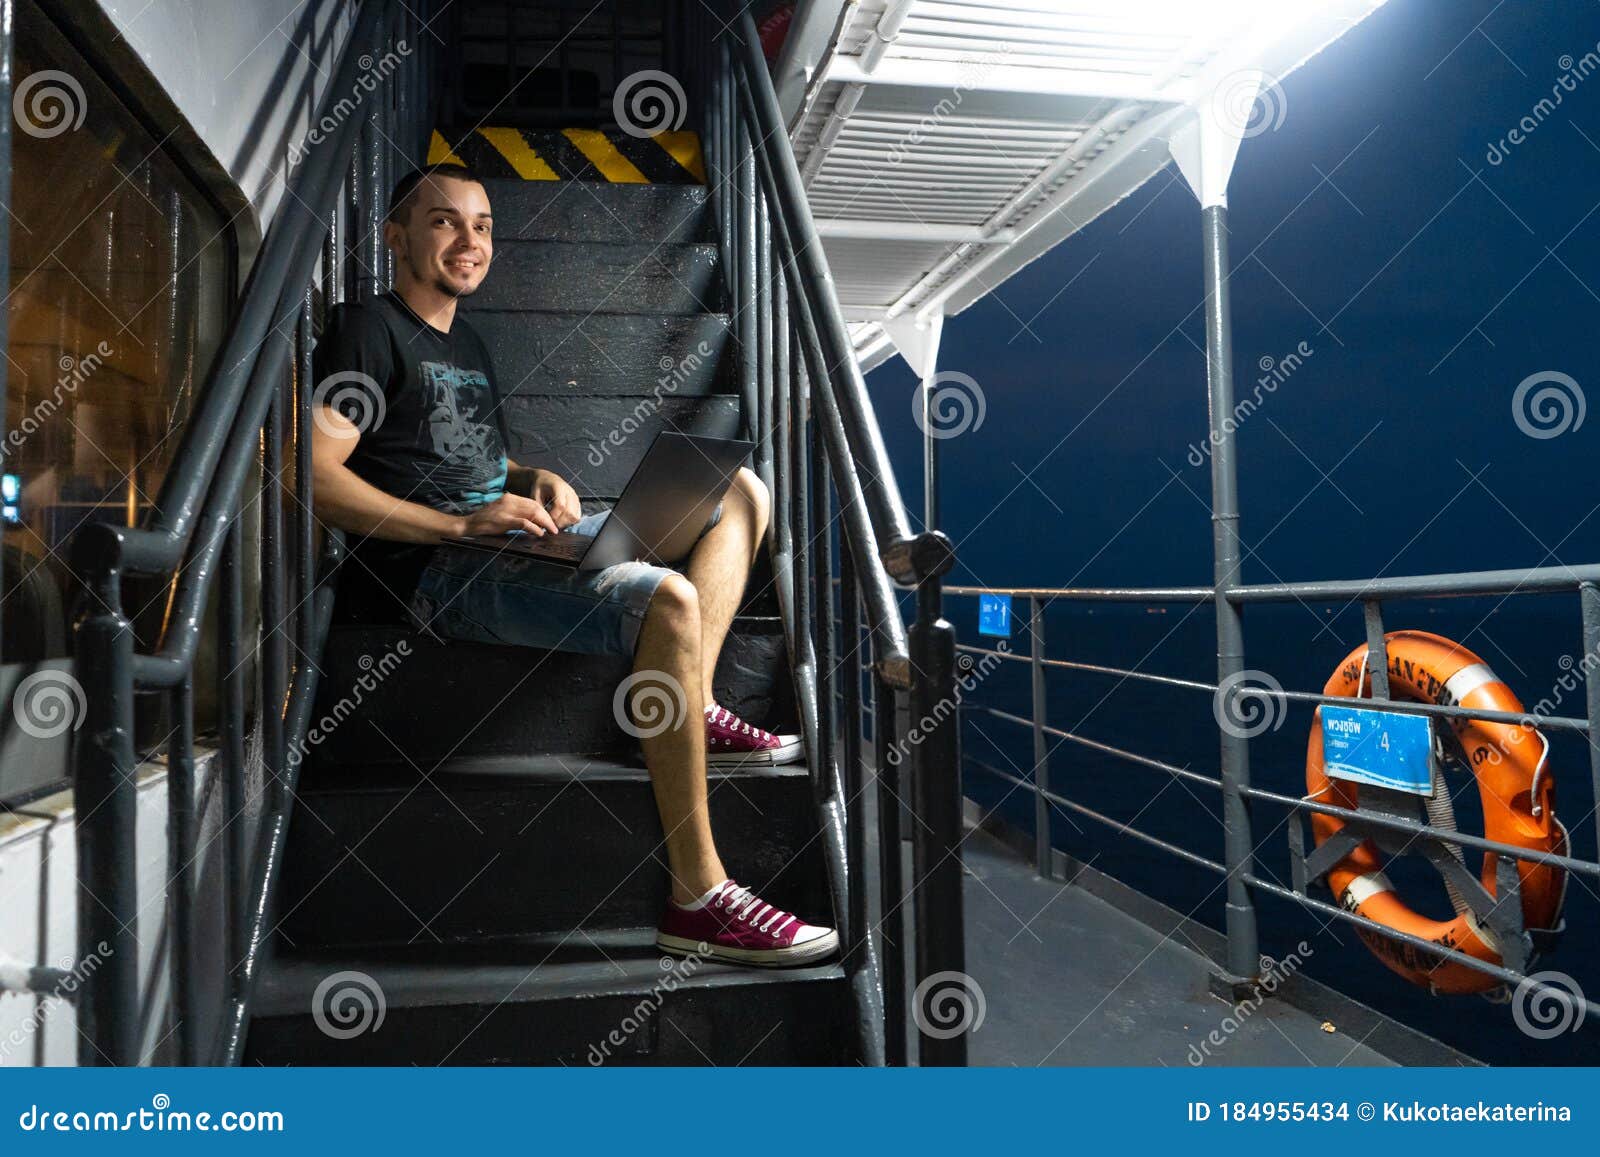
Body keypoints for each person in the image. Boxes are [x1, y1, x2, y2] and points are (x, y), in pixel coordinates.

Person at [308, 162, 837, 967]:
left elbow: (463, 451)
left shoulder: (467, 339)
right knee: (668, 601)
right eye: (445, 220)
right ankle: (699, 899)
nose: (470, 240)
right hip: (440, 570)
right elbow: (312, 475)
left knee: (743, 490)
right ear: (396, 236)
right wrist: (458, 525)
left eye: (483, 225)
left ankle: (687, 697)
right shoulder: (364, 328)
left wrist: (529, 478)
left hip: (504, 533)